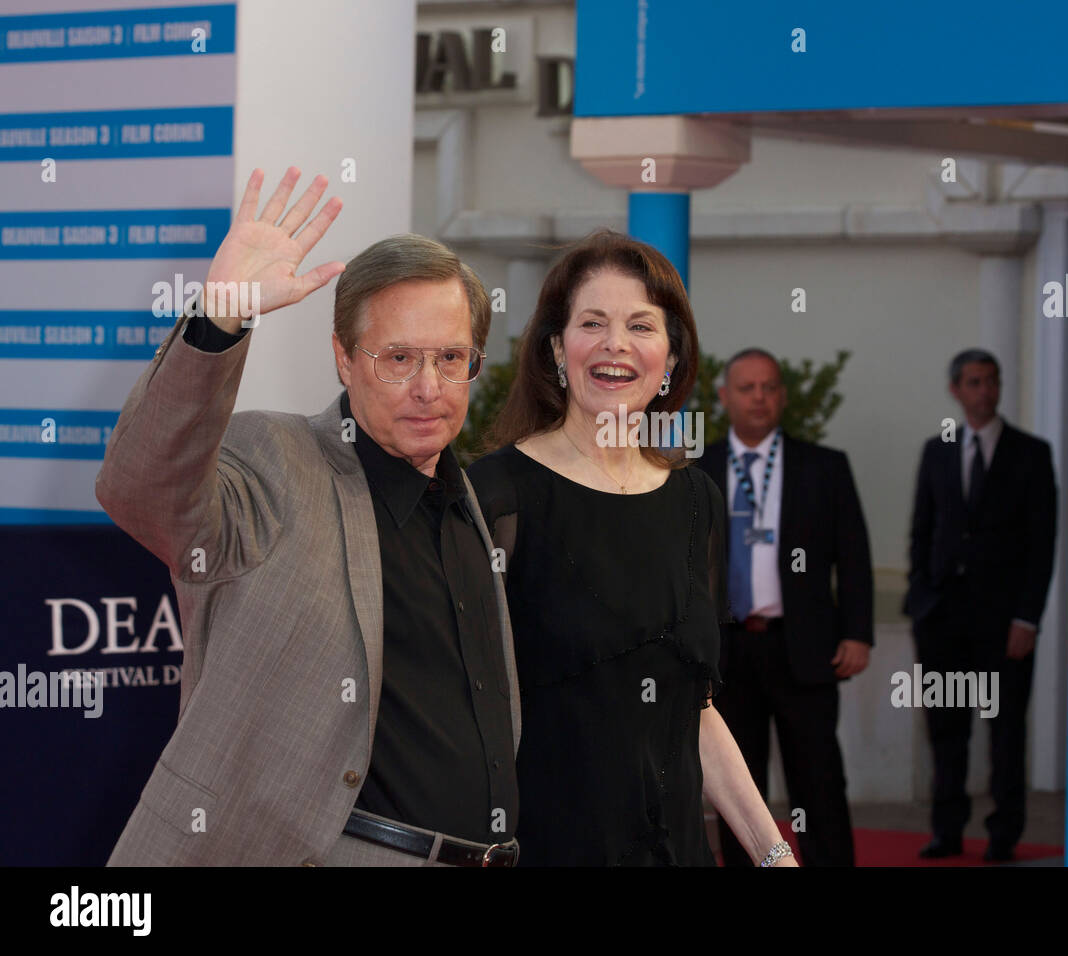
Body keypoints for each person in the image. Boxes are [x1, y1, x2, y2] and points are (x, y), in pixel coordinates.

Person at [98, 167, 521, 866]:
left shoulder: (470, 503)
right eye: (398, 359)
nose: (428, 387)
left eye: (451, 358)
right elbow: (142, 490)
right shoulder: (279, 462)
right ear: (344, 359)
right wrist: (220, 317)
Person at [467, 230, 796, 866]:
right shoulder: (495, 497)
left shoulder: (696, 501)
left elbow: (694, 710)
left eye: (641, 325)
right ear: (558, 349)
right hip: (543, 847)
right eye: (593, 322)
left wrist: (772, 853)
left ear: (670, 359)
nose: (616, 344)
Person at [700, 348, 873, 867]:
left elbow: (855, 556)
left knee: (818, 782)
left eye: (769, 387)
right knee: (737, 790)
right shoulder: (694, 469)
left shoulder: (824, 467)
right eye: (747, 388)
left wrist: (858, 632)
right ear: (725, 397)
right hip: (727, 653)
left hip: (805, 648)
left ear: (783, 396)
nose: (759, 397)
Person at [903, 348, 1057, 862]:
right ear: (956, 390)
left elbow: (1042, 544)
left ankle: (1003, 834)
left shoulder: (1031, 453)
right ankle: (947, 831)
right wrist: (921, 595)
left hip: (1004, 621)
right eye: (973, 382)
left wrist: (1027, 618)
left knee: (1005, 732)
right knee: (947, 731)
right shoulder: (938, 449)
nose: (984, 391)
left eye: (992, 381)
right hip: (942, 619)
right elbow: (922, 530)